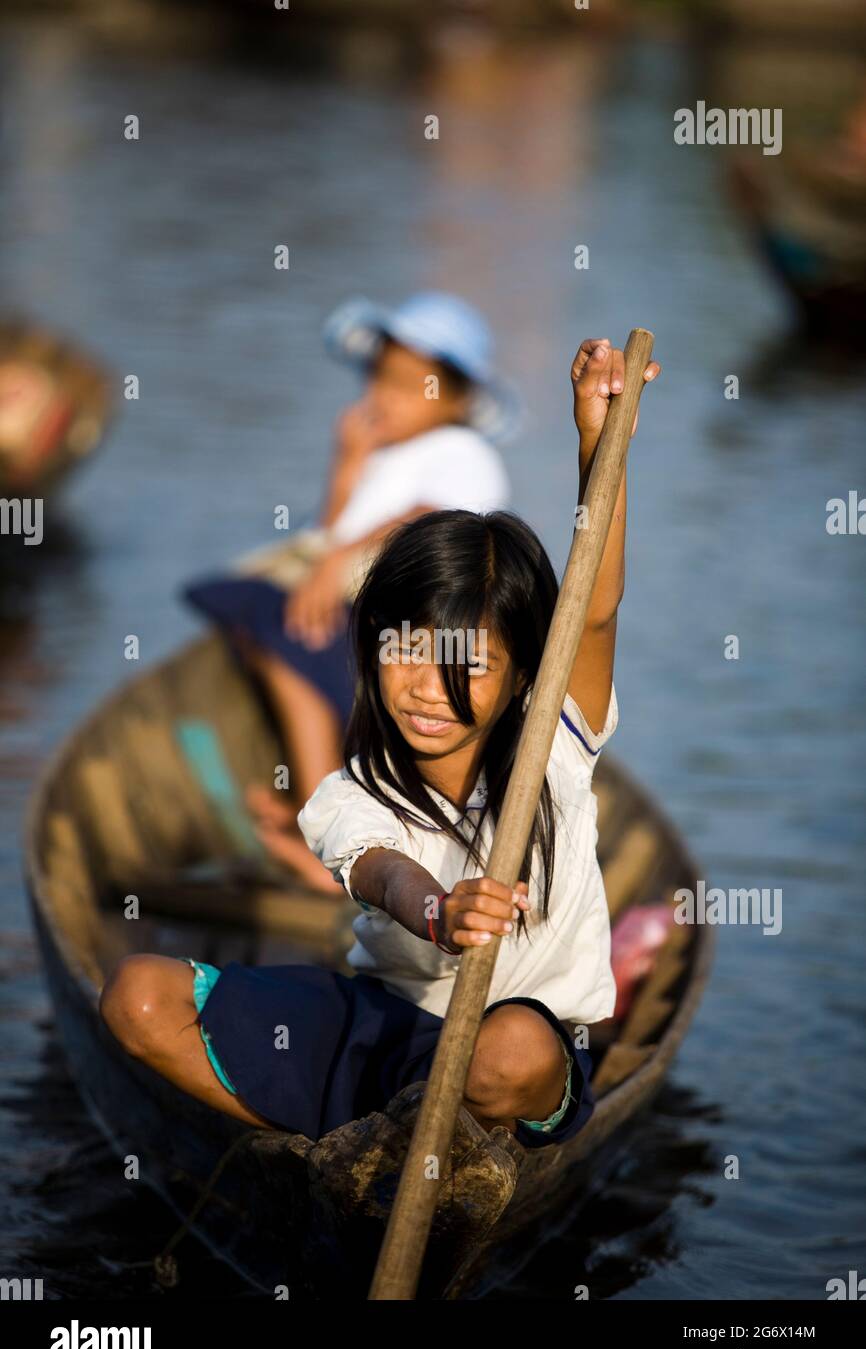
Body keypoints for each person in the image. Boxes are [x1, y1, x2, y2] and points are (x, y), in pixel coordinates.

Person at [100, 336, 661, 1149]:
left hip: (512, 1049)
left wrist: (600, 445)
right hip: (388, 1031)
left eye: (469, 663)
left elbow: (596, 607)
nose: (430, 690)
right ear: (371, 644)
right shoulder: (352, 791)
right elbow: (382, 872)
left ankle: (411, 1144)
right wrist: (438, 912)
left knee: (507, 1053)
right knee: (137, 998)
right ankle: (338, 1158)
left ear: (521, 672)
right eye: (407, 651)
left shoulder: (558, 738)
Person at [184, 292, 516, 893]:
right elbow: (328, 534)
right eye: (379, 378)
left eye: (413, 384)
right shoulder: (384, 457)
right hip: (361, 612)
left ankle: (323, 839)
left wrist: (336, 558)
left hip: (416, 632)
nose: (385, 395)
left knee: (279, 630)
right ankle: (325, 810)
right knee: (261, 618)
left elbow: (427, 523)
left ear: (459, 399)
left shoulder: (461, 452)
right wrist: (347, 464)